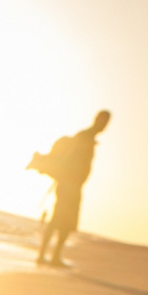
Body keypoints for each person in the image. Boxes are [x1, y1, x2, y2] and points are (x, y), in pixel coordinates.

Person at [30, 110, 111, 267]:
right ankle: (46, 256)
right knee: (61, 220)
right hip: (70, 184)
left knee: (63, 221)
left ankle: (50, 256)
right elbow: (72, 159)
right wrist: (66, 176)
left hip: (73, 184)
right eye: (104, 122)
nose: (105, 126)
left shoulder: (88, 137)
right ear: (97, 120)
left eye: (107, 123)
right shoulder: (84, 136)